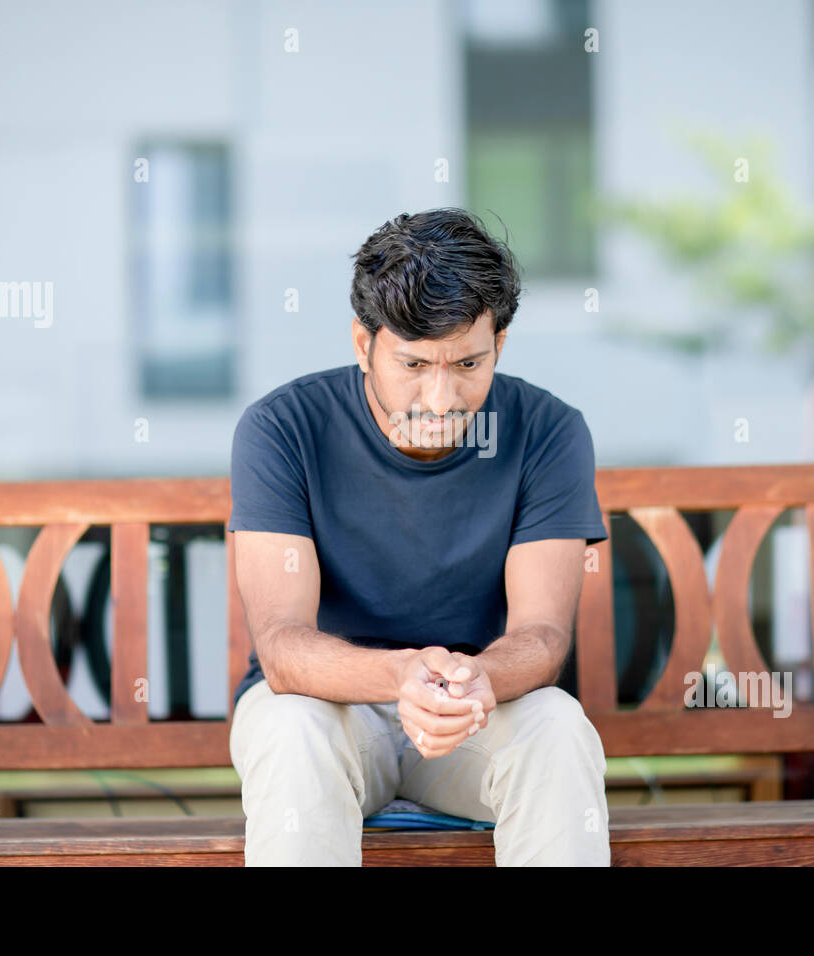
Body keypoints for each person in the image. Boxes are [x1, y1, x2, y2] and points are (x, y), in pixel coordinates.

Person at [226, 207, 611, 866]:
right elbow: (284, 650)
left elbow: (542, 638)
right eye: (413, 364)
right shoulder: (282, 429)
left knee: (557, 727)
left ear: (501, 344)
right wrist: (401, 675)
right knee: (289, 727)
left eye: (468, 363)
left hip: (473, 712)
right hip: (331, 714)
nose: (440, 400)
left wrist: (477, 681)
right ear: (362, 343)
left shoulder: (547, 431)